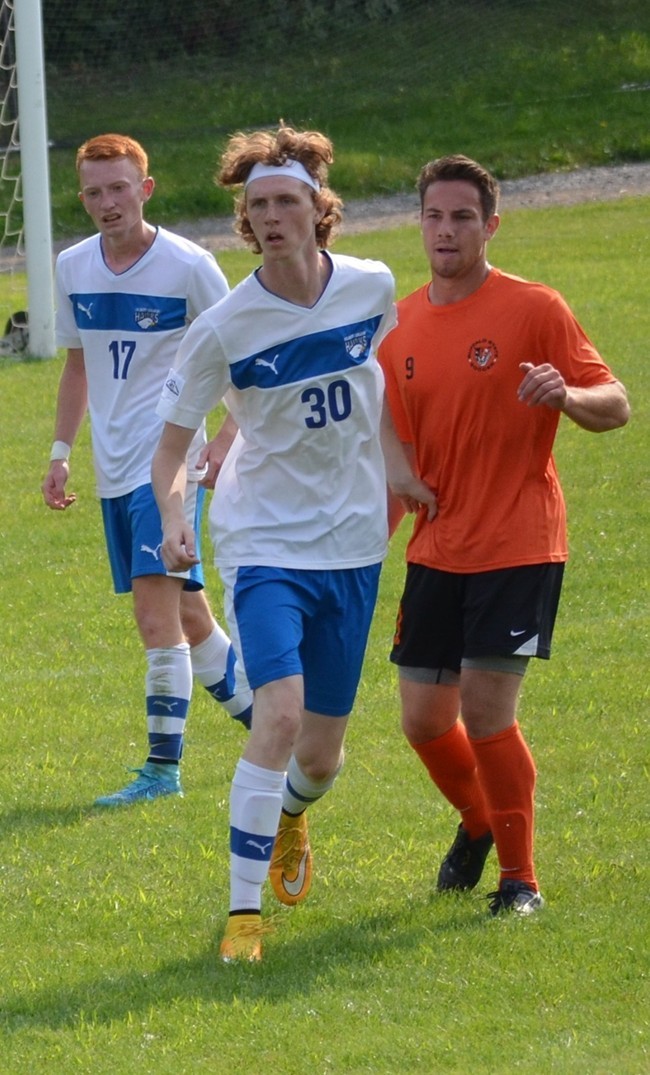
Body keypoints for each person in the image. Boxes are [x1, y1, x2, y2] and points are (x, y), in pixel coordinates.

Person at [151, 124, 435, 961]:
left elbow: (374, 389)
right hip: (264, 540)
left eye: (286, 202)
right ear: (245, 219)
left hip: (352, 542)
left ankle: (288, 817)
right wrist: (174, 517)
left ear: (319, 210)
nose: (271, 217)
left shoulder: (372, 287)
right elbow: (170, 451)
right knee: (276, 715)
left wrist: (399, 469)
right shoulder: (224, 327)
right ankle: (243, 919)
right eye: (258, 206)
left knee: (322, 756)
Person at [379, 153, 630, 915]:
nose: (446, 230)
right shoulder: (399, 326)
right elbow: (396, 443)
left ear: (490, 225)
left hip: (517, 543)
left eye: (462, 217)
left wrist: (568, 393)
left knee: (488, 713)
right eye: (434, 216)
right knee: (424, 720)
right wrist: (382, 518)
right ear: (420, 223)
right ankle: (480, 818)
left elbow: (616, 402)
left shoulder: (534, 307)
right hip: (437, 545)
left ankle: (521, 879)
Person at [42, 133, 253, 808]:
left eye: (119, 188)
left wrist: (225, 438)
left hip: (168, 467)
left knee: (154, 615)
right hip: (112, 467)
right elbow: (78, 365)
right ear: (83, 198)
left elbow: (242, 357)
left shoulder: (189, 266)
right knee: (189, 615)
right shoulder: (73, 266)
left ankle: (163, 772)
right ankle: (274, 725)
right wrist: (60, 451)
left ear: (146, 189)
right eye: (94, 192)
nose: (108, 202)